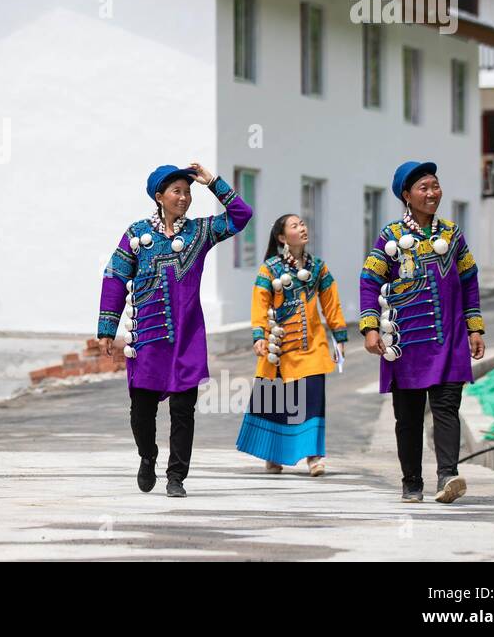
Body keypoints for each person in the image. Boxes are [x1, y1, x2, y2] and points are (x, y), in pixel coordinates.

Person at [98, 163, 253, 497]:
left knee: (184, 411)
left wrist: (213, 182)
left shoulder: (199, 233)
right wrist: (106, 328)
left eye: (187, 192)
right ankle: (147, 456)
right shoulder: (137, 235)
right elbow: (114, 277)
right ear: (160, 197)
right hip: (148, 340)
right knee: (141, 411)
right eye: (176, 191)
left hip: (187, 339)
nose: (184, 198)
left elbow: (241, 215)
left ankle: (176, 477)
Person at [360, 160, 486, 504]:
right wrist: (370, 327)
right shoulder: (391, 238)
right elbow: (369, 281)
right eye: (424, 188)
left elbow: (469, 281)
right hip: (408, 342)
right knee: (409, 416)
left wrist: (474, 327)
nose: (433, 193)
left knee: (447, 407)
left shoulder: (451, 235)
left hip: (449, 339)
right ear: (407, 196)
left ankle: (448, 475)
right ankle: (411, 481)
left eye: (435, 186)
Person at [236, 214, 346, 476]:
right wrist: (259, 335)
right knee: (276, 400)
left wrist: (339, 337)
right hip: (279, 345)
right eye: (295, 226)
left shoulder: (318, 268)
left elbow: (331, 304)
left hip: (312, 345)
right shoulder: (270, 269)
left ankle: (314, 457)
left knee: (312, 400)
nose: (303, 228)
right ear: (282, 237)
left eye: (303, 224)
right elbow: (260, 303)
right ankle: (273, 454)